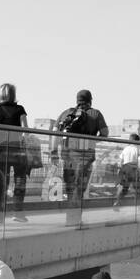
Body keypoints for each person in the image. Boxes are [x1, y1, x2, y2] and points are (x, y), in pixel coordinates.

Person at [54, 90, 108, 224]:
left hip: (67, 155)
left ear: (77, 100)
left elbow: (55, 133)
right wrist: (92, 140)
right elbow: (105, 133)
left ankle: (70, 218)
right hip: (85, 156)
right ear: (90, 100)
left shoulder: (66, 113)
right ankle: (76, 218)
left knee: (70, 187)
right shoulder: (95, 113)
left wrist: (54, 153)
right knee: (80, 188)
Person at [0, 83, 31, 222]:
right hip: (17, 149)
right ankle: (18, 213)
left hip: (0, 151)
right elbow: (26, 130)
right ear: (12, 94)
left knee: (2, 183)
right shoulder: (20, 109)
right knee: (19, 181)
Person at [114, 133, 140, 208]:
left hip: (124, 168)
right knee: (137, 188)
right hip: (134, 168)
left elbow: (120, 161)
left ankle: (117, 202)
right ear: (137, 141)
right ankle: (138, 205)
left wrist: (120, 171)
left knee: (124, 187)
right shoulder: (139, 149)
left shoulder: (125, 149)